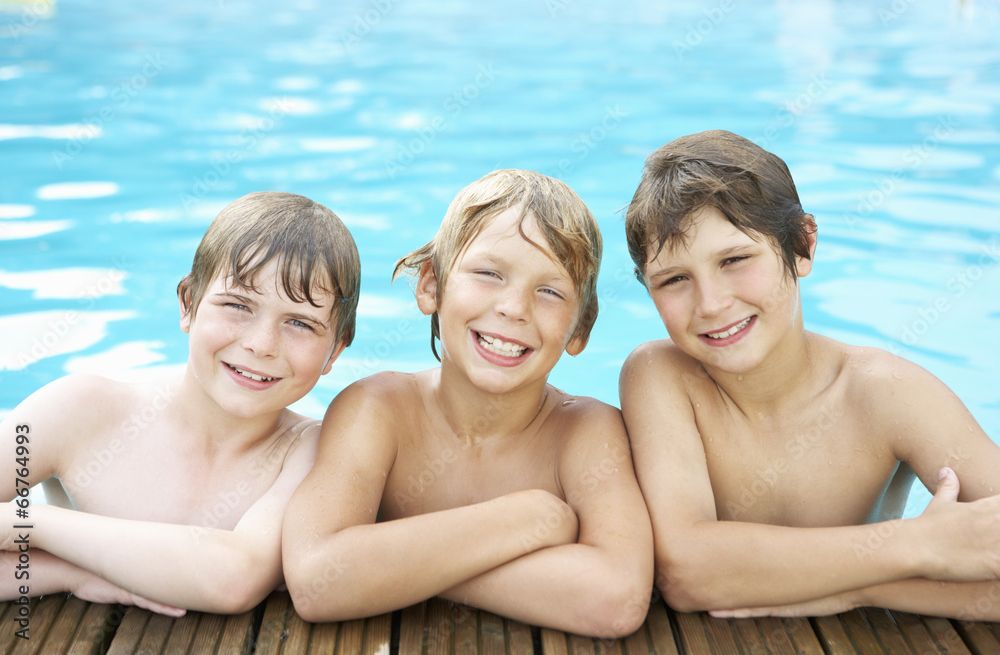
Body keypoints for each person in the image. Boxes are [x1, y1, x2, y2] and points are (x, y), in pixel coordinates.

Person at [620, 129, 1000, 621]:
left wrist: (861, 591)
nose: (710, 304)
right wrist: (919, 545)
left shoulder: (887, 393)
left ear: (801, 245)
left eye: (735, 260)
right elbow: (688, 573)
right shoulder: (661, 376)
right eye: (674, 280)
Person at [282, 169, 653, 637]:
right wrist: (529, 518)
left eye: (550, 291)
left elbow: (617, 599)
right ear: (431, 285)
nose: (514, 307)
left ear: (580, 328)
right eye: (488, 274)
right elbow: (316, 579)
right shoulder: (376, 411)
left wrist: (400, 571)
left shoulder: (586, 432)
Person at [2, 191, 360, 615]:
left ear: (335, 351)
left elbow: (234, 577)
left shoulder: (312, 451)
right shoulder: (78, 412)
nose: (262, 344)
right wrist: (71, 574)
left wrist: (34, 524)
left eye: (299, 323)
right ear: (189, 304)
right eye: (238, 305)